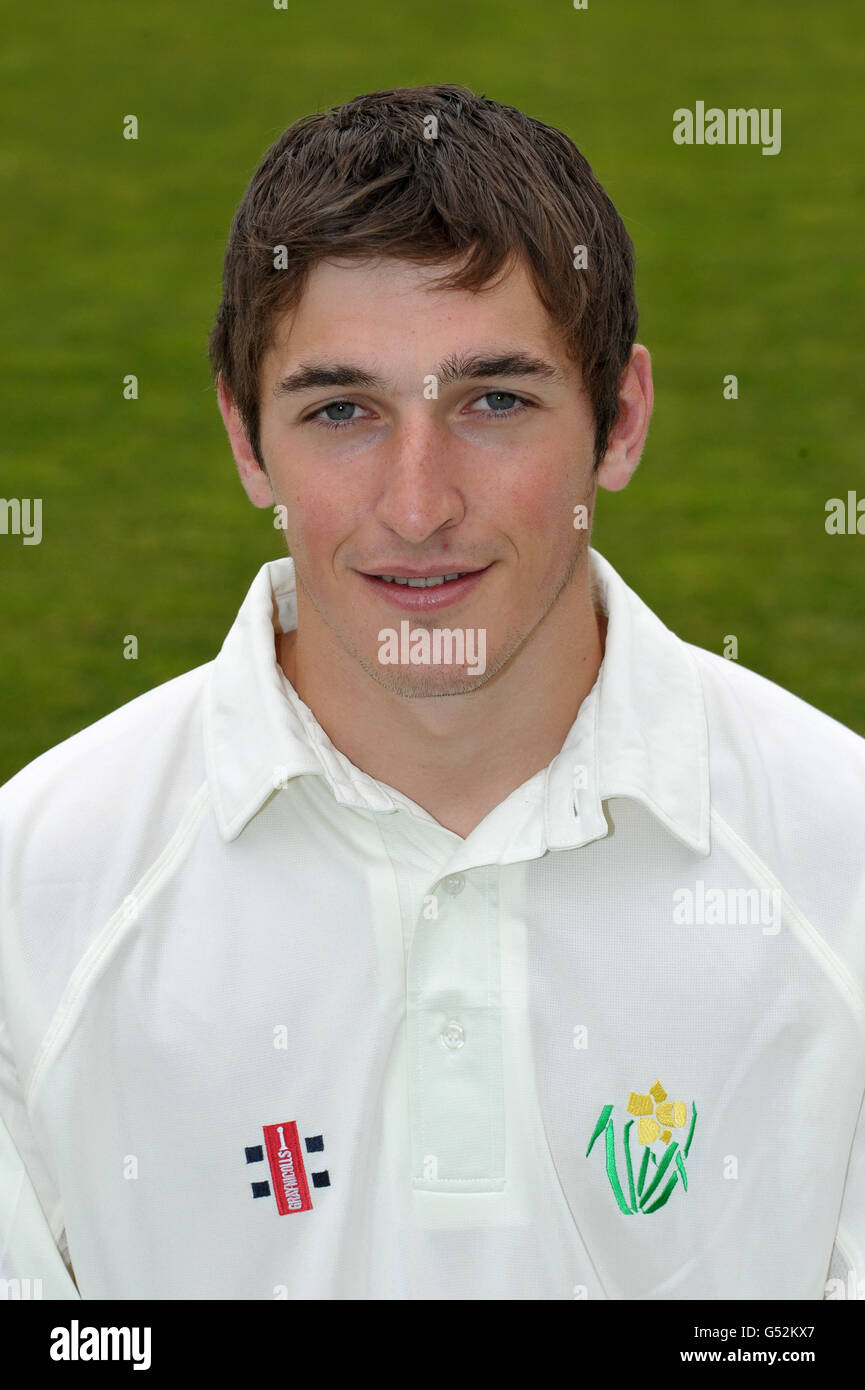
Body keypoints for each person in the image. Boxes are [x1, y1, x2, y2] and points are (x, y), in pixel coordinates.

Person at [1, 83, 863, 1302]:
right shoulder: (32, 896)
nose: (418, 504)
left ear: (619, 420)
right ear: (248, 442)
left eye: (493, 402)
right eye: (342, 410)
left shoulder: (844, 866)